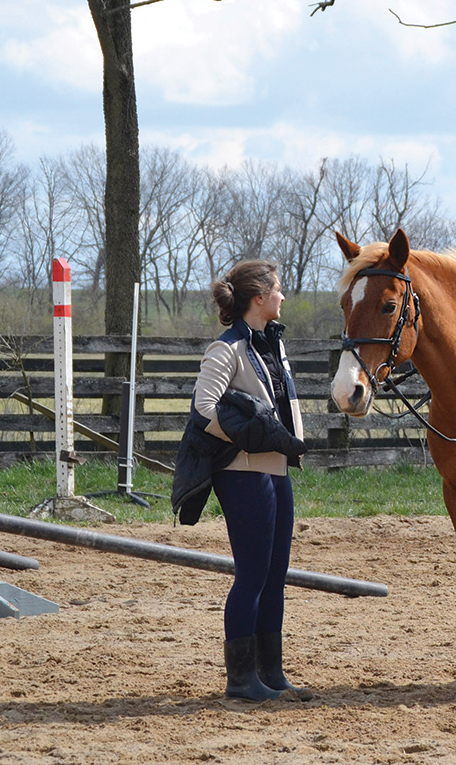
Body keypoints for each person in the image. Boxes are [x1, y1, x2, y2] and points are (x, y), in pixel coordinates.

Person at [186, 260, 309, 702]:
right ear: (259, 298)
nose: (282, 296)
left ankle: (269, 672)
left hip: (276, 470)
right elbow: (205, 408)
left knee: (274, 576)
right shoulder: (228, 348)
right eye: (277, 290)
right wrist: (244, 436)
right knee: (253, 575)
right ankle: (240, 680)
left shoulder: (269, 345)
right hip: (243, 472)